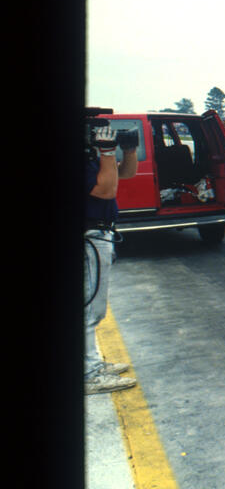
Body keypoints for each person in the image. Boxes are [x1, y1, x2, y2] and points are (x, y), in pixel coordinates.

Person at [85, 121, 139, 394]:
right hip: (89, 238)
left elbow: (124, 175)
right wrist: (106, 153)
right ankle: (88, 374)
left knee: (92, 308)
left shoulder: (89, 159)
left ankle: (90, 365)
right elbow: (107, 190)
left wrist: (128, 151)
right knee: (89, 309)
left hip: (97, 236)